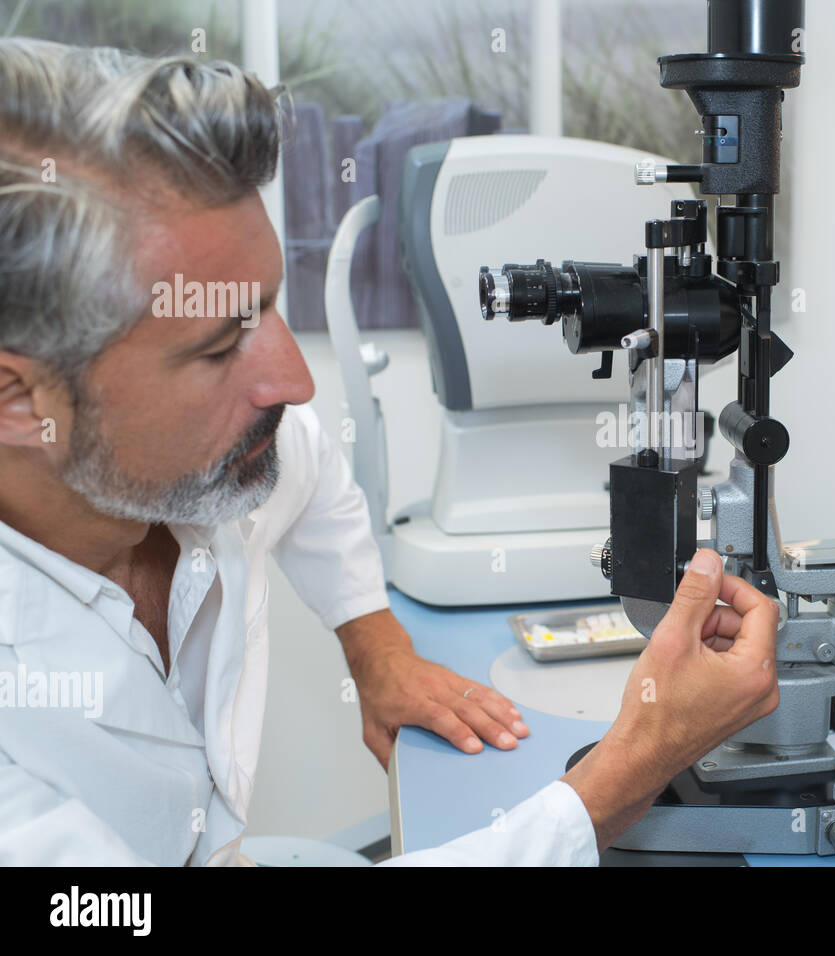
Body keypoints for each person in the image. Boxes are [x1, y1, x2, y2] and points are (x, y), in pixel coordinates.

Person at [0, 38, 777, 865]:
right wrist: (636, 764)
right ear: (19, 399)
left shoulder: (206, 457)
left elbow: (311, 477)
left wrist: (377, 648)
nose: (295, 382)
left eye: (268, 307)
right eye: (220, 347)